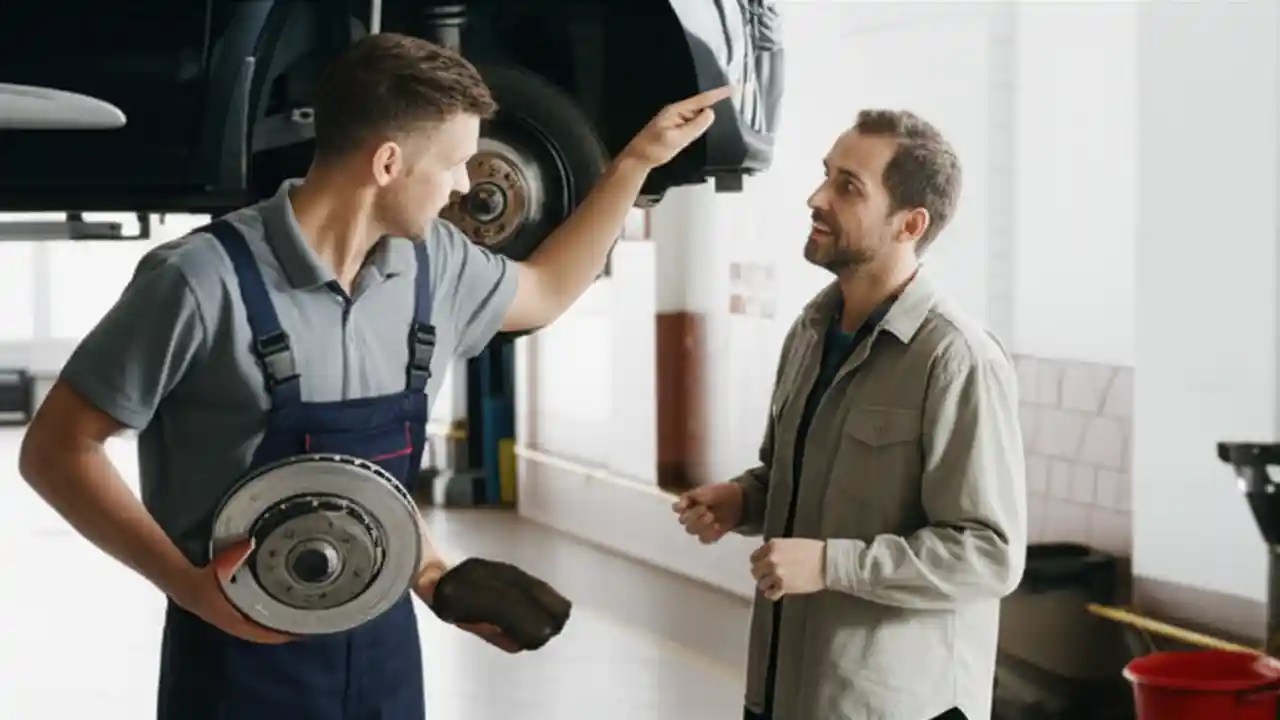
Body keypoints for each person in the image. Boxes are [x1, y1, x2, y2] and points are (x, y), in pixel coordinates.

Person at [18, 32, 730, 720]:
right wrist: (186, 587)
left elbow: (543, 290)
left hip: (383, 647)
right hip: (235, 654)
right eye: (454, 163)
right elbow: (56, 449)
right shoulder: (202, 283)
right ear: (388, 163)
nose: (463, 186)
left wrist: (634, 164)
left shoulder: (433, 267)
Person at [673, 109, 1026, 720]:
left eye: (848, 187)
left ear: (909, 224)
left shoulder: (956, 360)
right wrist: (745, 499)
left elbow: (989, 553)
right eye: (826, 175)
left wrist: (833, 565)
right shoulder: (810, 333)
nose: (817, 198)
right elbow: (795, 470)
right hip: (785, 691)